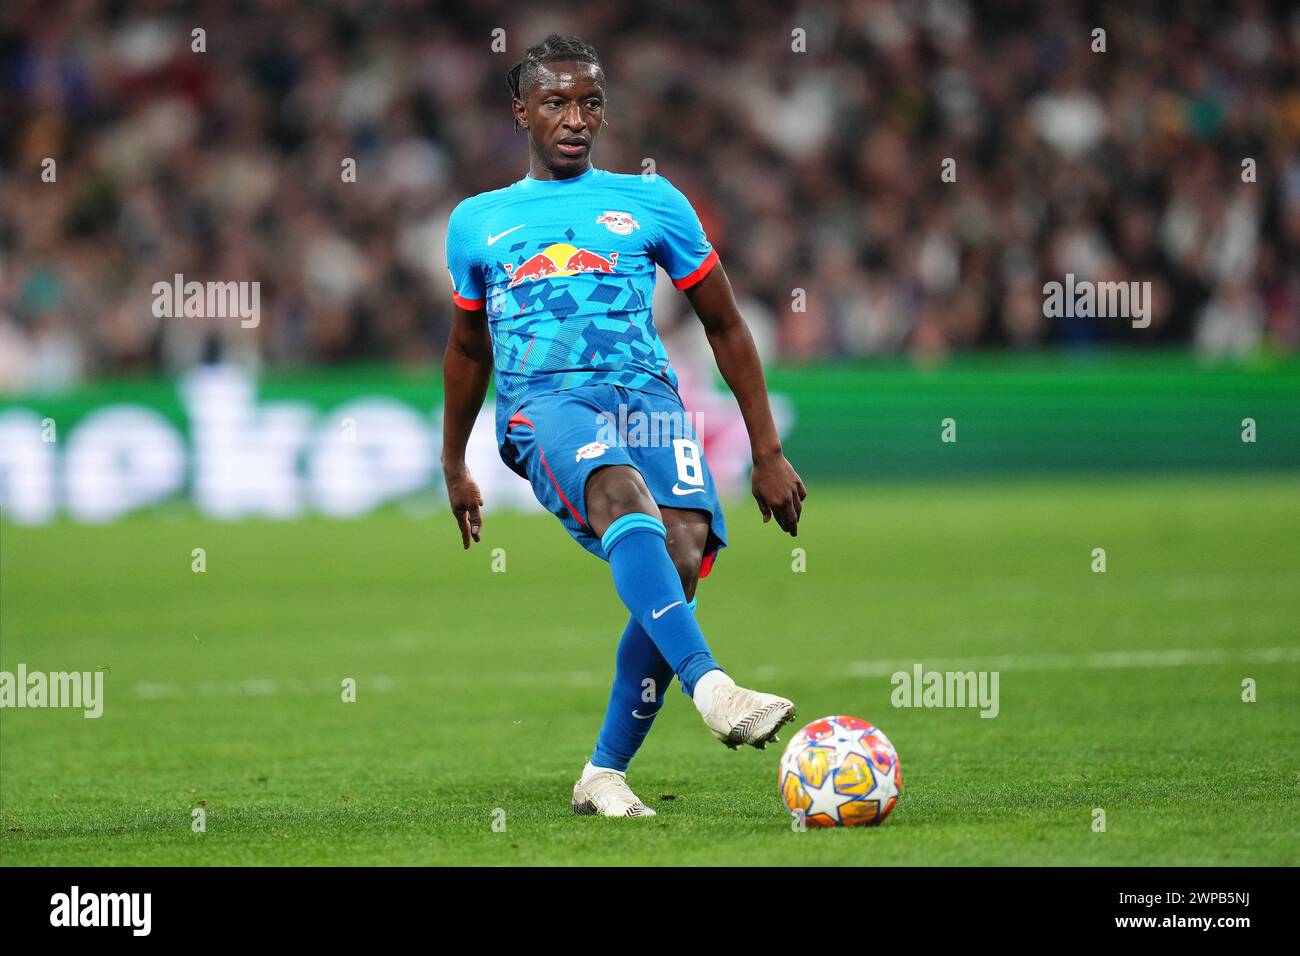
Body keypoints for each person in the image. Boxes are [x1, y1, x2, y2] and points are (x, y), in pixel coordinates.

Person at [440, 34, 807, 817]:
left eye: (590, 103)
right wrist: (454, 463)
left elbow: (725, 325)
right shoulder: (478, 221)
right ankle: (713, 689)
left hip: (648, 398)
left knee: (683, 555)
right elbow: (468, 348)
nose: (575, 119)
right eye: (556, 103)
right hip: (545, 400)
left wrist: (767, 452)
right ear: (521, 112)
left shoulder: (654, 200)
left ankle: (603, 774)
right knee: (621, 495)